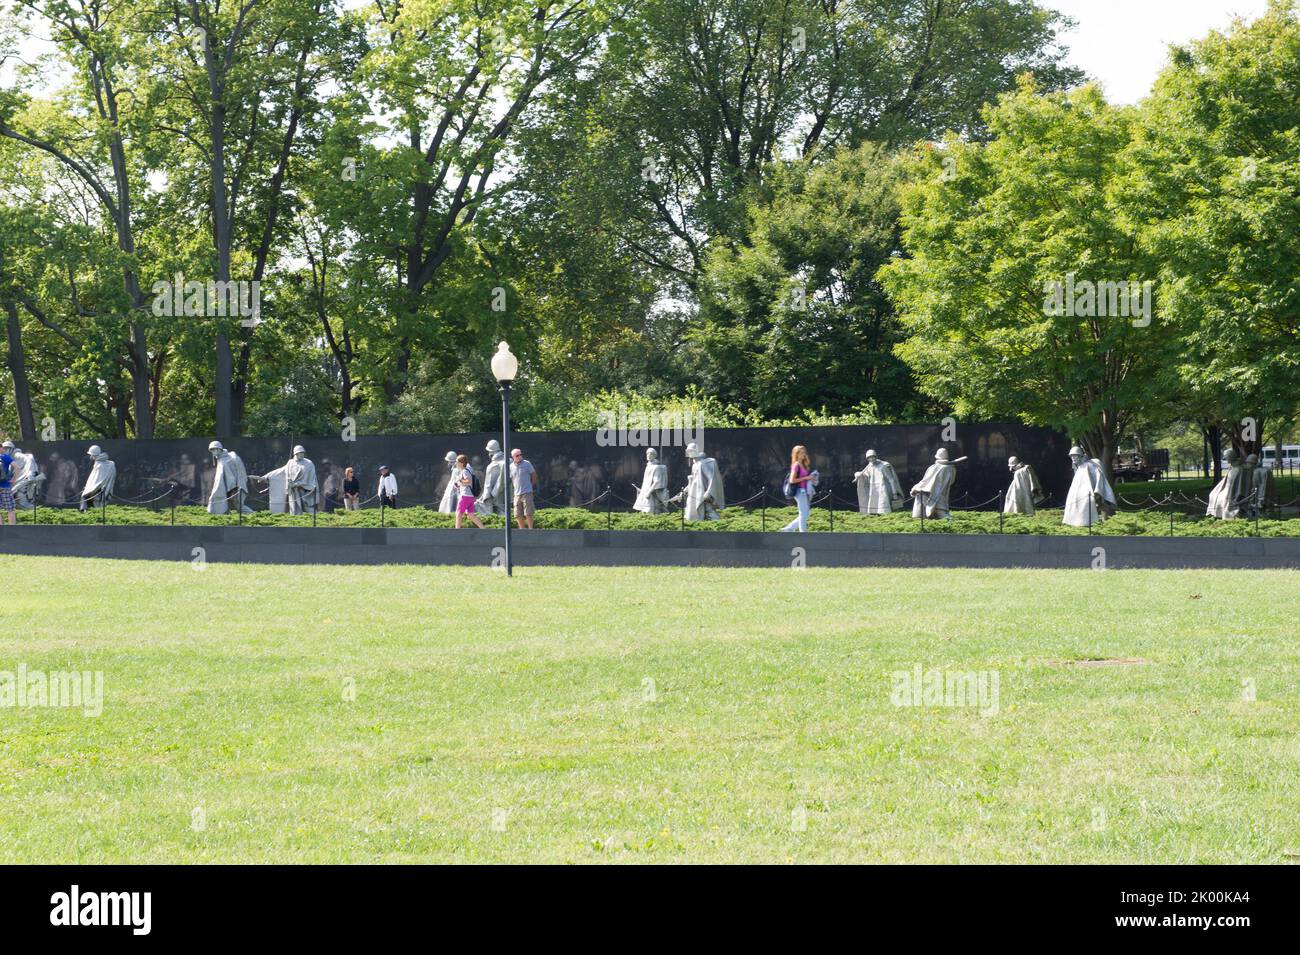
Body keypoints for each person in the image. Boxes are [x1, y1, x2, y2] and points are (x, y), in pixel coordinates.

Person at [1063, 446, 1116, 527]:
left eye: (1075, 455)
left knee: (1101, 506)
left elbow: (1097, 476)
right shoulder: (1080, 468)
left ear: (1080, 456)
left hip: (1091, 494)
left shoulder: (1088, 466)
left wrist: (1097, 490)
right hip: (1083, 497)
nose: (1073, 458)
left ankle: (1107, 524)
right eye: (1071, 456)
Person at [673, 442, 725, 521]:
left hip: (701, 492)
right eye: (688, 451)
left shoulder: (702, 464)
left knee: (708, 509)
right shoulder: (695, 465)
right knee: (697, 509)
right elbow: (693, 481)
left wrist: (708, 492)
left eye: (691, 451)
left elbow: (711, 478)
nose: (689, 453)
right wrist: (684, 492)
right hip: (694, 493)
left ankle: (719, 525)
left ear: (696, 451)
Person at [207, 440, 252, 515]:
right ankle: (225, 517)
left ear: (219, 449)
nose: (212, 451)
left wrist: (233, 486)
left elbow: (234, 474)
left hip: (233, 487)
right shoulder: (220, 459)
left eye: (214, 449)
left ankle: (251, 515)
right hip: (226, 487)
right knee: (223, 502)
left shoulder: (228, 459)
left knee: (237, 504)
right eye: (211, 450)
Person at [779, 445, 817, 532]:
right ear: (797, 454)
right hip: (799, 491)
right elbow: (792, 480)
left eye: (804, 452)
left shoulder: (803, 464)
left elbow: (805, 478)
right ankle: (802, 533)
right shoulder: (796, 465)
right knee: (803, 513)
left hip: (804, 491)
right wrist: (806, 478)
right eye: (802, 452)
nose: (804, 454)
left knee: (806, 514)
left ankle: (789, 528)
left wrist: (811, 477)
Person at [853, 449, 903, 514]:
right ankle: (873, 512)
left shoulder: (883, 466)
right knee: (874, 503)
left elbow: (891, 479)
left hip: (882, 488)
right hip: (873, 489)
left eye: (872, 457)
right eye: (869, 458)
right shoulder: (869, 466)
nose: (871, 459)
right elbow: (866, 476)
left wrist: (894, 493)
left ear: (875, 456)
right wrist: (858, 474)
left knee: (883, 502)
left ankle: (885, 513)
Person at [1206, 449, 1250, 520]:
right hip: (1227, 489)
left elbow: (1240, 485)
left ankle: (1227, 515)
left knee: (1223, 498)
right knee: (1213, 494)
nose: (1226, 459)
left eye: (1227, 457)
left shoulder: (1239, 469)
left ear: (1231, 457)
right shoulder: (1232, 468)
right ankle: (1217, 513)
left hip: (1233, 492)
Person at [4, 440, 44, 510]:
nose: (5, 451)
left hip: (25, 475)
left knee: (20, 492)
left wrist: (30, 472)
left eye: (6, 449)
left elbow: (29, 459)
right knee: (16, 492)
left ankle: (32, 510)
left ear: (10, 449)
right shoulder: (10, 458)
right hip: (19, 476)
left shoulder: (17, 455)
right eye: (4, 449)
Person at [80, 445, 116, 513]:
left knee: (85, 496)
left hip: (98, 490)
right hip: (101, 489)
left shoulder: (100, 465)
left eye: (92, 455)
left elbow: (98, 480)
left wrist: (90, 488)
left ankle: (85, 513)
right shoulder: (108, 464)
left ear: (94, 455)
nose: (91, 457)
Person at [632, 448, 670, 514]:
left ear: (655, 456)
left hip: (651, 494)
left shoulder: (656, 467)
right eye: (647, 453)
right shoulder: (648, 466)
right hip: (645, 491)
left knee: (650, 511)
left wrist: (649, 492)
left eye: (651, 454)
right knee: (643, 511)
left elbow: (656, 481)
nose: (648, 455)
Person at [453, 454, 486, 529]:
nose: (456, 464)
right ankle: (483, 529)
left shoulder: (465, 471)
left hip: (465, 496)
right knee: (471, 515)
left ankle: (456, 531)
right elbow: (467, 482)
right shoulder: (469, 469)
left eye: (457, 462)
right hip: (471, 497)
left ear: (461, 463)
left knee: (458, 513)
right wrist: (459, 484)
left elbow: (468, 481)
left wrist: (459, 480)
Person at [478, 440, 507, 516]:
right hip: (507, 495)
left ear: (491, 452)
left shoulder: (491, 466)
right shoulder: (509, 461)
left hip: (494, 496)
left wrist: (484, 497)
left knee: (498, 512)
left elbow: (488, 485)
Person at [510, 448, 538, 529]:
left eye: (520, 455)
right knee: (517, 515)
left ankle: (530, 530)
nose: (519, 456)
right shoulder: (511, 466)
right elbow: (511, 479)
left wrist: (531, 486)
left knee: (528, 513)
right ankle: (522, 531)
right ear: (513, 457)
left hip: (527, 493)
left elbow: (534, 475)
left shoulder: (527, 463)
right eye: (517, 455)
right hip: (517, 494)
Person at [0, 441, 16, 525]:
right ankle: (12, 530)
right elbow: (17, 468)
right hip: (5, 487)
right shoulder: (5, 457)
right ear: (1, 448)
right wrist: (14, 479)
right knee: (10, 510)